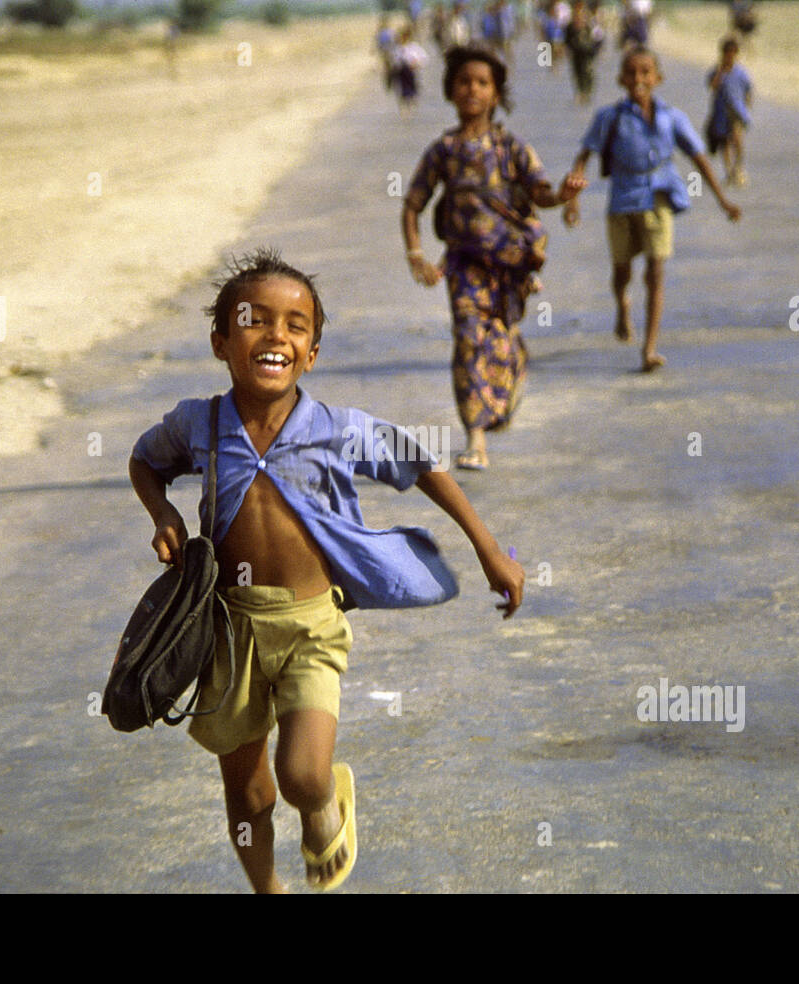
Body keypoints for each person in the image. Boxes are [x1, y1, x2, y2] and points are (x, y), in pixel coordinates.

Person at [129, 249, 526, 894]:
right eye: (254, 320)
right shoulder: (197, 424)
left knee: (302, 774)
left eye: (295, 325)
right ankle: (268, 890)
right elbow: (144, 461)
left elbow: (421, 464)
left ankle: (322, 805)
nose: (275, 335)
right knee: (247, 786)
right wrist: (163, 514)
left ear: (311, 352)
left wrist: (488, 549)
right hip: (228, 630)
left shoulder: (336, 430)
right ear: (220, 342)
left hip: (312, 624)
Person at [401, 45, 583, 470]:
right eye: (464, 81)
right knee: (467, 339)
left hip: (510, 265)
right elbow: (413, 205)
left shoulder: (511, 147)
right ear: (450, 90)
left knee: (499, 339)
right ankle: (475, 438)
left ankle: (512, 366)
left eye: (482, 83)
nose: (472, 90)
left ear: (496, 94)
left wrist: (562, 194)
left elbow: (541, 192)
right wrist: (416, 256)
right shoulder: (442, 151)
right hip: (463, 265)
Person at [563, 46, 740, 372]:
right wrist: (572, 199)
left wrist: (723, 201)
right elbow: (583, 157)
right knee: (622, 272)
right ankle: (622, 304)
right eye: (631, 73)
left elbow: (698, 158)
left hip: (659, 199)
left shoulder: (672, 117)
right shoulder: (609, 117)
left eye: (646, 72)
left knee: (656, 273)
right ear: (620, 79)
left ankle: (649, 348)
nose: (638, 79)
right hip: (621, 201)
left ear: (658, 77)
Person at [705, 37, 753, 187]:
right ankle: (728, 172)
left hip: (737, 112)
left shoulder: (741, 72)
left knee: (737, 139)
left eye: (733, 53)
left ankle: (738, 168)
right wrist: (720, 72)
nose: (730, 56)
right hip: (721, 112)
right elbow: (712, 87)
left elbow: (748, 90)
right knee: (724, 143)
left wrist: (746, 107)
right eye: (727, 53)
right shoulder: (716, 71)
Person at [564, 0, 604, 105]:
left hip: (588, 52)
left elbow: (598, 36)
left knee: (587, 72)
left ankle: (587, 91)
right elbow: (567, 37)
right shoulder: (571, 23)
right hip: (576, 51)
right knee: (577, 72)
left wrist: (597, 49)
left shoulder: (590, 22)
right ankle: (581, 92)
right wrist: (567, 48)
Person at [393, 25, 430, 115]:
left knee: (412, 89)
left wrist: (417, 64)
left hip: (412, 71)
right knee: (402, 90)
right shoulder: (397, 48)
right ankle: (404, 108)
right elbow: (395, 60)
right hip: (401, 72)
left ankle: (411, 106)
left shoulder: (414, 47)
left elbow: (424, 58)